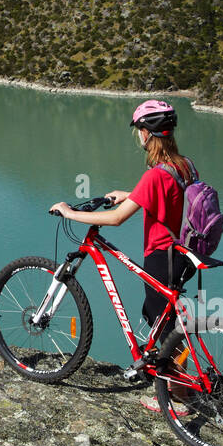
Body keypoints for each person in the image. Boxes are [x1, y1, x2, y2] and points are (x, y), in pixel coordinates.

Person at [48, 99, 197, 413]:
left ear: (146, 133)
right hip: (182, 253)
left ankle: (176, 399)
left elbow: (116, 219)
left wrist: (71, 213)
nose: (138, 136)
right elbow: (170, 194)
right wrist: (130, 194)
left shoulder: (154, 175)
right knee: (160, 319)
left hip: (160, 256)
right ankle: (179, 383)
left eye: (140, 130)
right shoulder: (183, 164)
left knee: (164, 325)